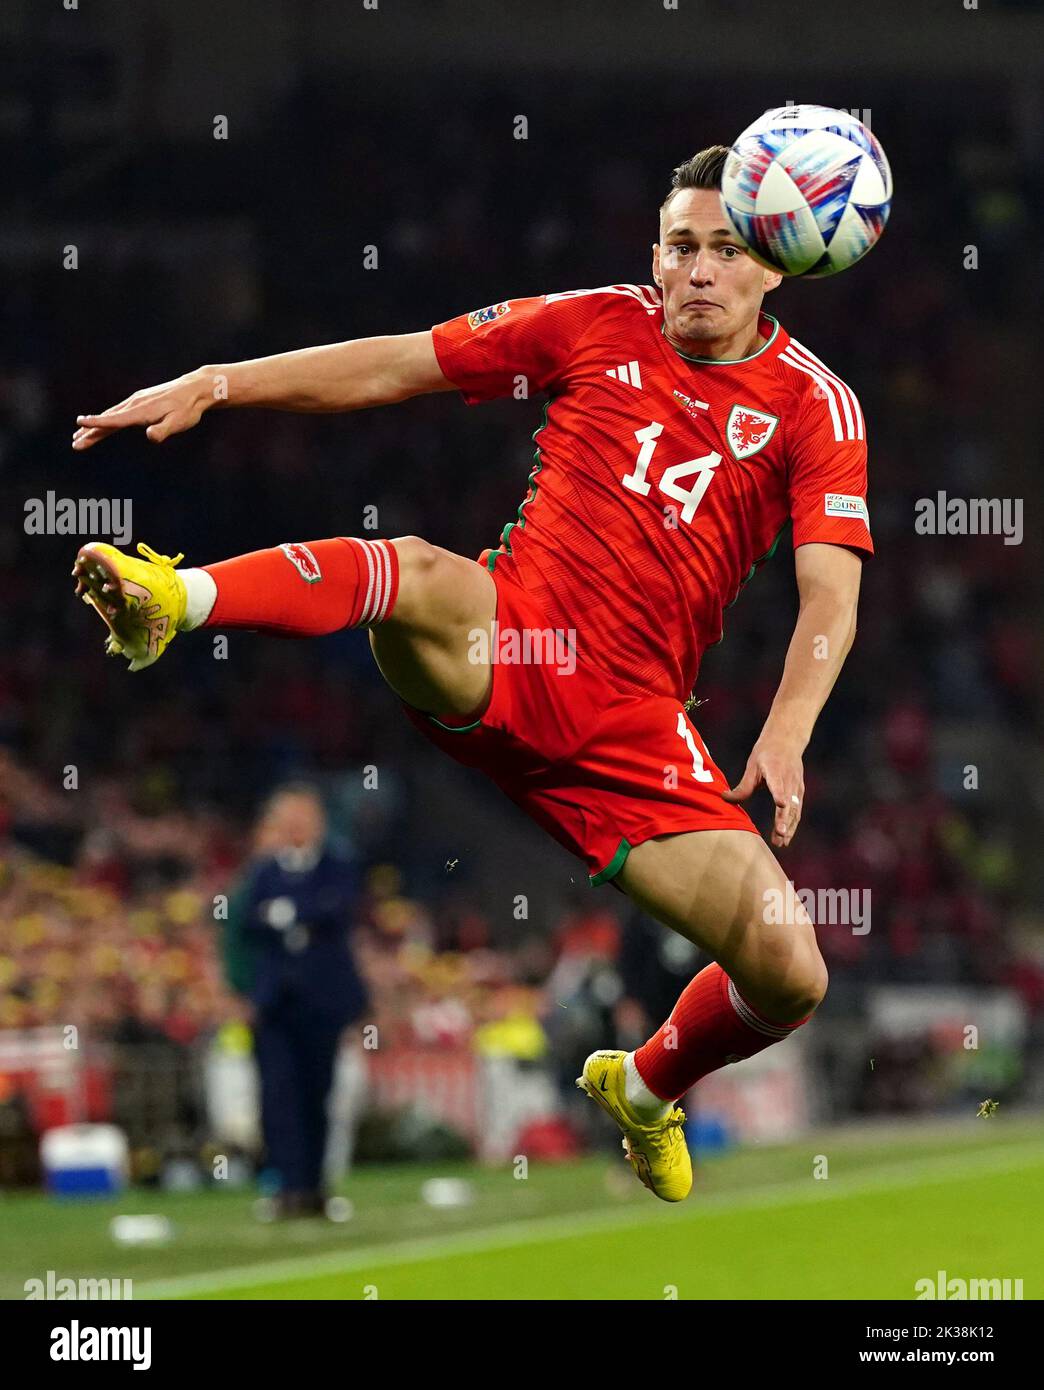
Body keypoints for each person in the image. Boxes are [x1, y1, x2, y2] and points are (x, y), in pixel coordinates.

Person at [70, 145, 871, 1202]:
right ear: (656, 254)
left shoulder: (818, 406)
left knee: (789, 971)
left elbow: (830, 592)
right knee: (415, 571)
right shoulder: (599, 321)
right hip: (509, 641)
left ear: (775, 262)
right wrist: (221, 382)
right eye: (682, 246)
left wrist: (787, 728)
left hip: (633, 729)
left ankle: (639, 1086)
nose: (700, 271)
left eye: (726, 250)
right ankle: (176, 602)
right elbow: (397, 362)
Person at [228, 783, 367, 1217]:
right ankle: (286, 1186)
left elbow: (337, 909)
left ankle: (314, 1186)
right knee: (277, 1095)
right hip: (275, 1002)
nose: (295, 826)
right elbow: (248, 919)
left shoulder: (337, 864)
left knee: (317, 1092)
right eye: (287, 817)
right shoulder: (265, 870)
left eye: (302, 816)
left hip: (322, 1001)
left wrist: (287, 912)